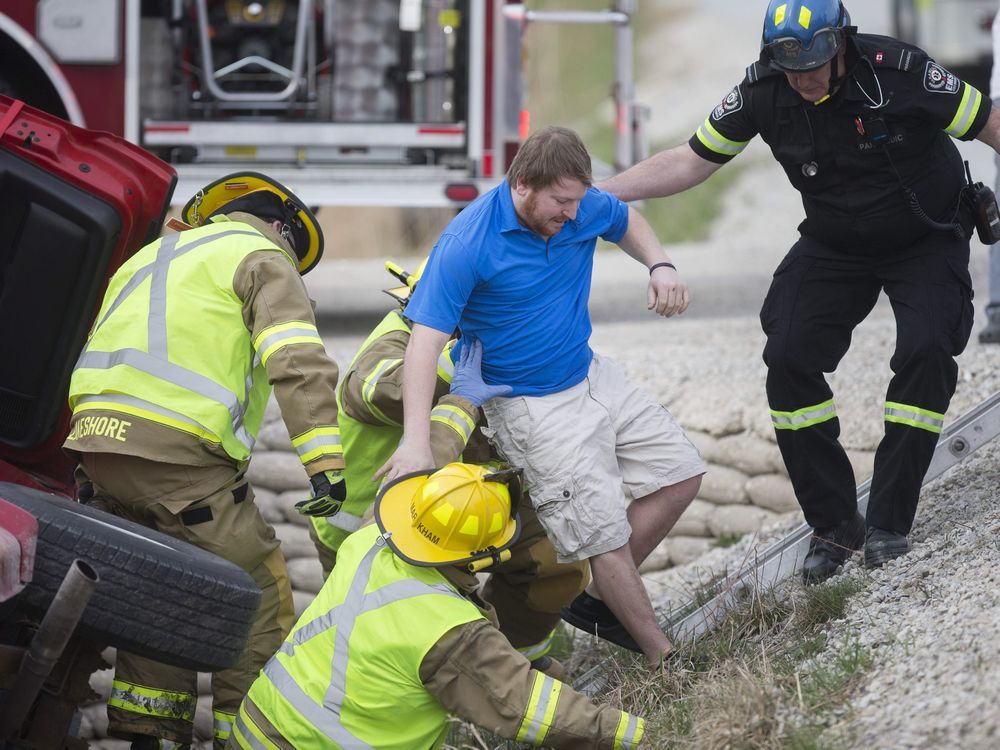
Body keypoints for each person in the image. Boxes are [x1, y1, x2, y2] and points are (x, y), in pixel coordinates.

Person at [598, 0, 1000, 583]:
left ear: (841, 47)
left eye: (813, 67)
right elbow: (689, 162)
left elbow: (989, 124)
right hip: (836, 241)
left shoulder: (899, 70)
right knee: (788, 357)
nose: (803, 80)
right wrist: (601, 193)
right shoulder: (763, 89)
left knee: (927, 351)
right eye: (791, 69)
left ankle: (889, 523)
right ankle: (835, 526)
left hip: (925, 234)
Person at [379, 126, 707, 667]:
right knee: (602, 539)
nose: (574, 215)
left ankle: (599, 601)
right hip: (529, 406)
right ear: (522, 186)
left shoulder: (578, 205)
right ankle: (665, 658)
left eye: (579, 200)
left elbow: (624, 219)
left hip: (591, 375)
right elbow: (423, 343)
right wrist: (416, 440)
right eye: (561, 202)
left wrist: (660, 264)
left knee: (681, 475)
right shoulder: (467, 243)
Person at [64, 172, 347, 749]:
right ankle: (249, 736)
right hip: (176, 460)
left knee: (157, 585)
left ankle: (150, 734)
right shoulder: (261, 257)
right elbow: (295, 360)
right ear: (280, 228)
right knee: (256, 590)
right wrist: (325, 466)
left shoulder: (150, 257)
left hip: (96, 450)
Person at [230, 462, 647, 750]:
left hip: (255, 727)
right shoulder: (449, 630)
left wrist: (458, 405)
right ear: (483, 556)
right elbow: (528, 708)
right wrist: (640, 735)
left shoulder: (367, 540)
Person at [308, 259, 590, 672]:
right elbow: (375, 390)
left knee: (558, 558)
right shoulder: (394, 343)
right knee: (399, 639)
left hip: (462, 510)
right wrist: (454, 363)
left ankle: (514, 667)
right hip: (377, 531)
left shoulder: (503, 351)